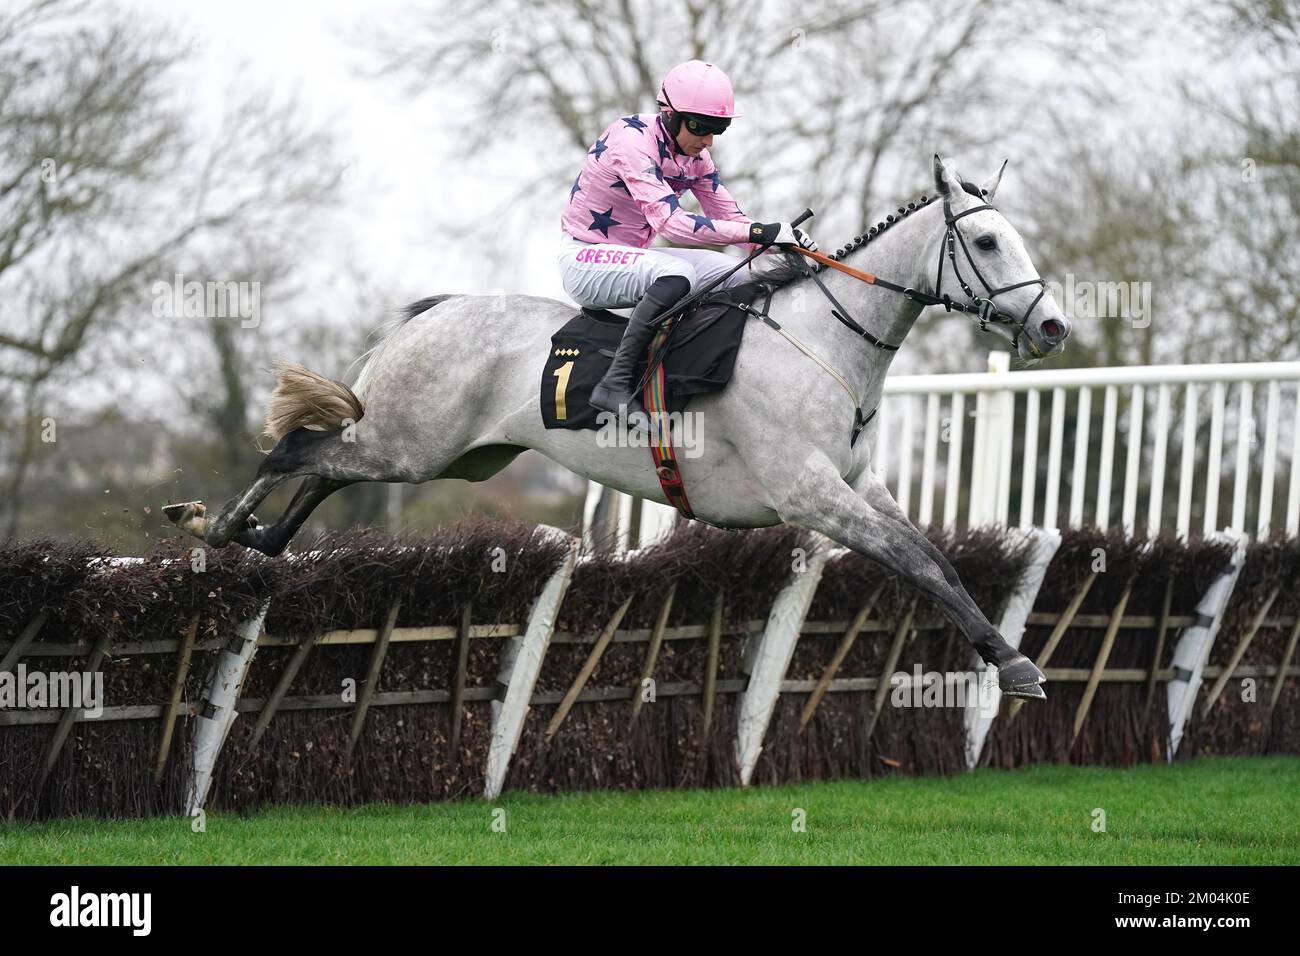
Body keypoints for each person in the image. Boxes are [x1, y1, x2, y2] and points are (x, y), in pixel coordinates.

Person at [558, 59, 817, 416]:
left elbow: (735, 225)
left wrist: (782, 242)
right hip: (584, 261)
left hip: (635, 259)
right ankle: (614, 384)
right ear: (668, 114)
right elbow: (670, 223)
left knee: (744, 274)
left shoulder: (698, 159)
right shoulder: (631, 140)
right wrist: (758, 231)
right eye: (699, 127)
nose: (707, 140)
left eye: (718, 129)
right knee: (678, 275)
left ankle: (695, 367)